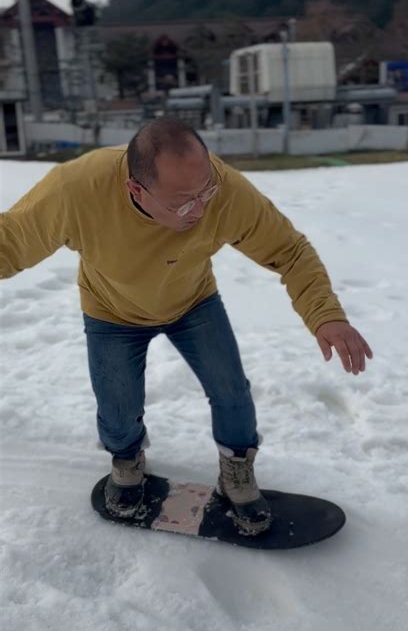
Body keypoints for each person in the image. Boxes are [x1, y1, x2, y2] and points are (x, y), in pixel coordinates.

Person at [0, 118, 372, 535]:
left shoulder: (224, 191)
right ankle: (127, 461)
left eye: (205, 191)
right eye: (182, 201)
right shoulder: (77, 189)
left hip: (193, 303)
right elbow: (11, 241)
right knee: (117, 406)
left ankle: (236, 468)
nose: (199, 209)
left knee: (231, 390)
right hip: (112, 311)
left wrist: (326, 315)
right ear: (135, 190)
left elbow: (289, 249)